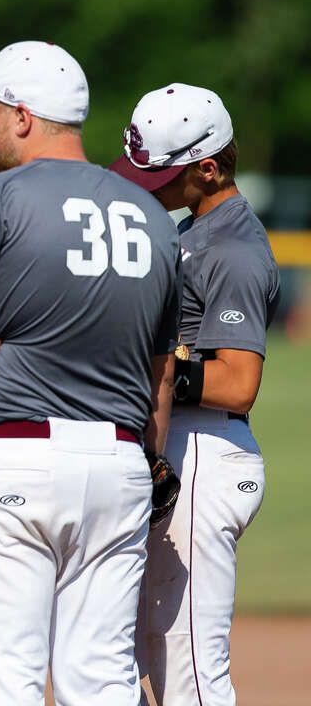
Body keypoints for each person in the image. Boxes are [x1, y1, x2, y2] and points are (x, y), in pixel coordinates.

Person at [0, 41, 182, 705]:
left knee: (4, 682)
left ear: (22, 117)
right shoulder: (152, 217)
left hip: (12, 456)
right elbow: (161, 371)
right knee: (103, 681)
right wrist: (151, 461)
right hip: (118, 464)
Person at [109, 84, 278, 705]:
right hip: (181, 446)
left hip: (206, 450)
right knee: (143, 650)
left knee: (189, 667)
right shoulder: (193, 231)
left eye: (162, 173)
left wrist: (142, 367)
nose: (146, 184)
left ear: (208, 168)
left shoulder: (232, 246)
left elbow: (238, 381)